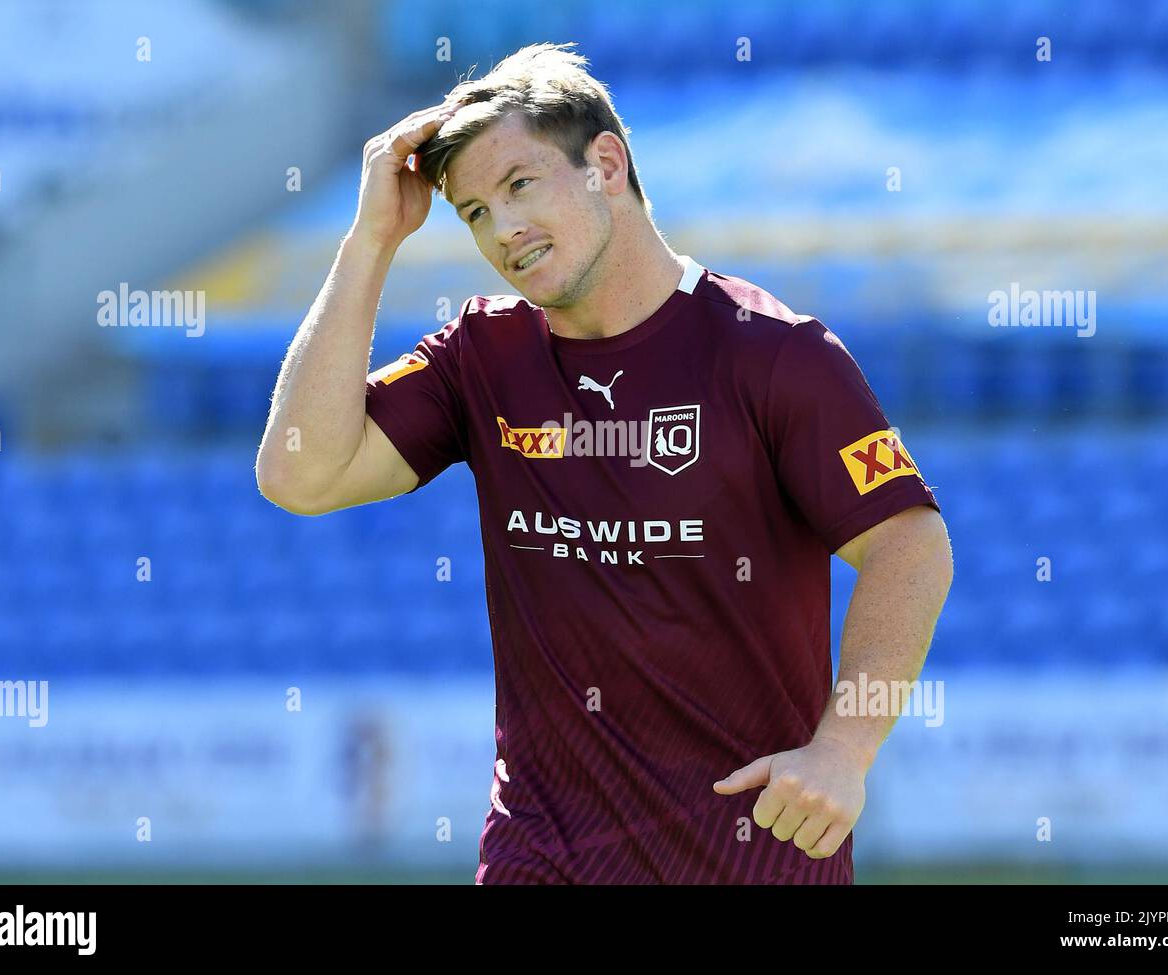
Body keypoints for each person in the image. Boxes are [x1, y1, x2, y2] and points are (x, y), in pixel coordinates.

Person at [256, 42, 954, 884]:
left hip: (753, 855)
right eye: (473, 212)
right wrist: (370, 241)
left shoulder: (774, 354)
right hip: (539, 857)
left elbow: (909, 543)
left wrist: (845, 748)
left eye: (519, 185)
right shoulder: (481, 355)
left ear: (606, 164)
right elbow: (299, 473)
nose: (502, 230)